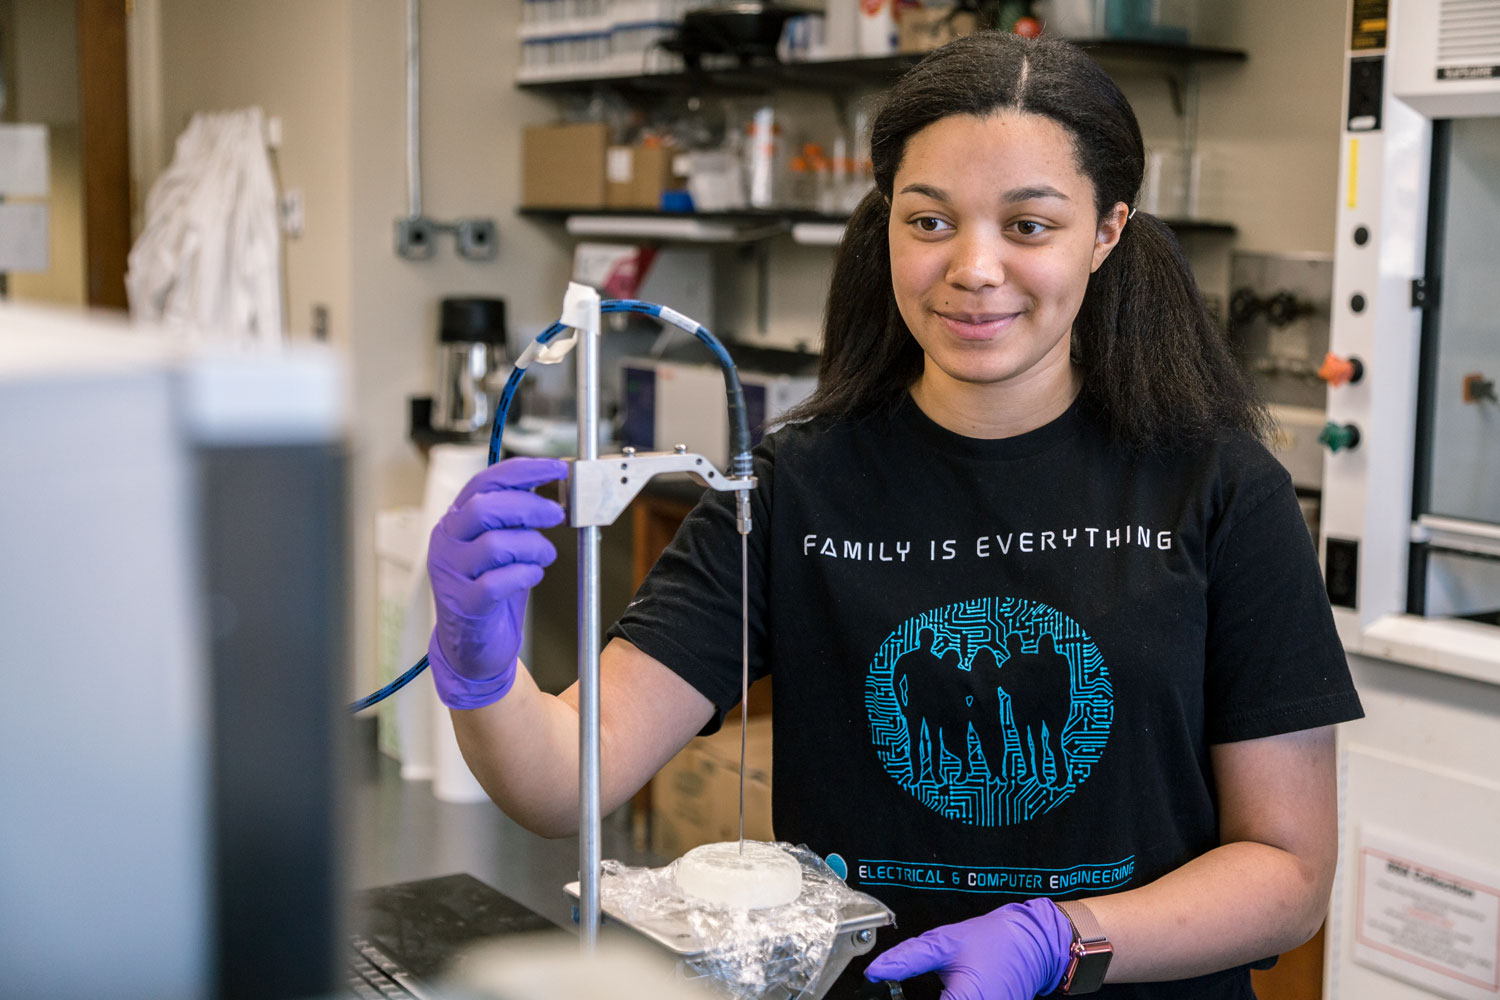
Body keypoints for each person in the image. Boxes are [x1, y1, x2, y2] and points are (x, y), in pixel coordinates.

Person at [425, 32, 1363, 1000]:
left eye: (1030, 226)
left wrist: (1063, 937)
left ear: (1108, 230)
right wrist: (477, 658)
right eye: (929, 221)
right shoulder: (795, 483)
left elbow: (1289, 874)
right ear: (886, 229)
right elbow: (562, 779)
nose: (974, 266)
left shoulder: (1219, 488)